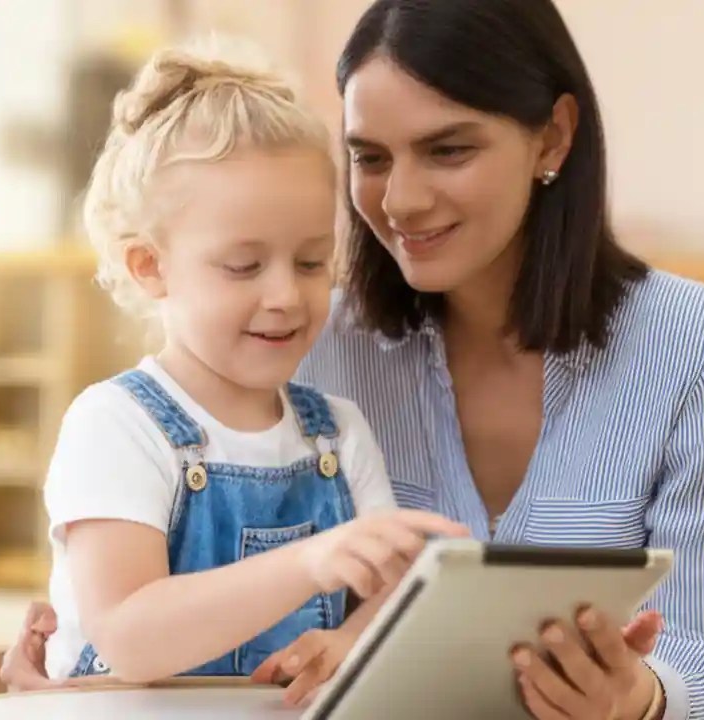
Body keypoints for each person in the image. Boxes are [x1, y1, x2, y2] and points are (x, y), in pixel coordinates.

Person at [6, 0, 704, 717]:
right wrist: (75, 670)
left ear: (552, 138)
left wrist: (640, 699)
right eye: (370, 158)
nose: (400, 201)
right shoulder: (298, 344)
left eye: (448, 149)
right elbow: (144, 605)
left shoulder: (697, 348)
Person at [36, 38, 468, 684]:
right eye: (243, 265)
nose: (286, 295)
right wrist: (307, 563)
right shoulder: (116, 425)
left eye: (312, 262)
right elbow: (129, 639)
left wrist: (351, 640)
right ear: (150, 266)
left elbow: (397, 592)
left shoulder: (338, 433)